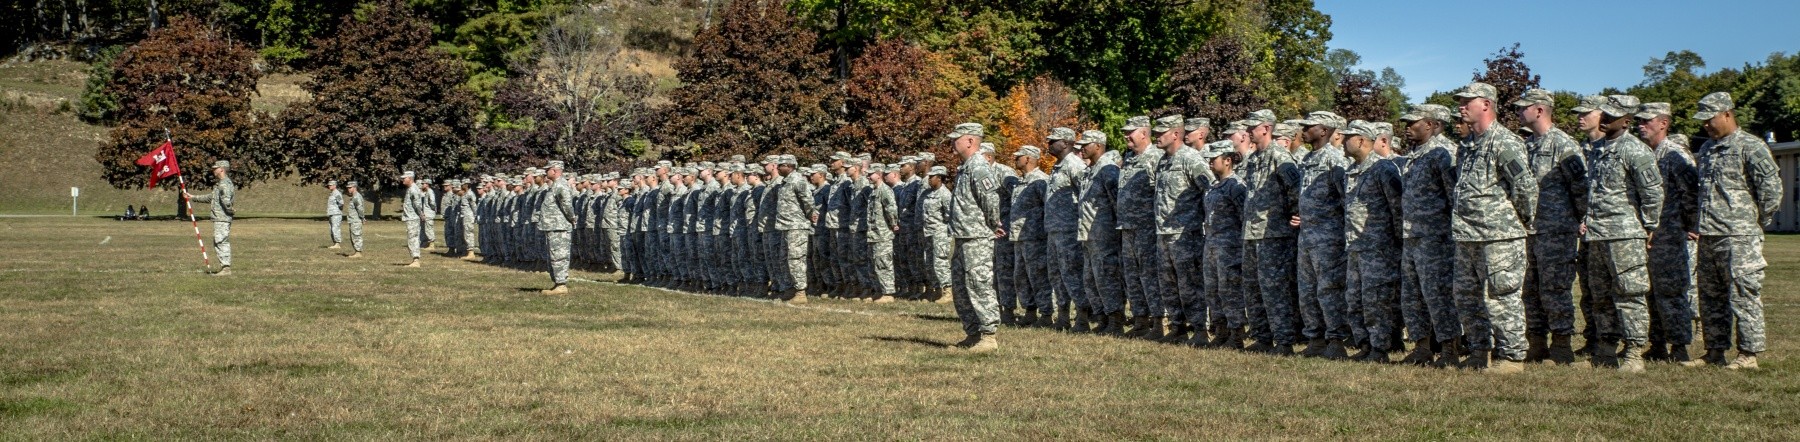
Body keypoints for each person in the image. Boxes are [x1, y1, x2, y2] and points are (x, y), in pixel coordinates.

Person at [1684, 92, 1780, 370]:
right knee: (1711, 296)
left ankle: (1748, 354)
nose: (1706, 125)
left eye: (1710, 119)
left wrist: (1754, 222)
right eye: (1702, 121)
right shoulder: (1708, 150)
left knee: (1743, 293)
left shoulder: (1751, 146)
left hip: (1739, 236)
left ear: (1727, 114)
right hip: (1709, 234)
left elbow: (1771, 190)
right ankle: (1714, 351)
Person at [1450, 82, 1537, 373]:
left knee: (1502, 297)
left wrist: (1521, 221)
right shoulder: (1468, 146)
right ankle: (1479, 351)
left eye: (1467, 101)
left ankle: (1511, 357)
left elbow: (1525, 188)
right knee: (1467, 297)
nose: (1461, 106)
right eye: (1460, 102)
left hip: (1499, 236)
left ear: (1486, 105)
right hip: (1467, 235)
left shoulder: (1505, 142)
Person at [1295, 110, 1351, 359]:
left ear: (1325, 130)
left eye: (1310, 125)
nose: (1304, 129)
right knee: (1307, 291)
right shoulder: (1307, 158)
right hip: (1307, 236)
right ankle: (1315, 339)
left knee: (1329, 290)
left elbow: (1346, 200)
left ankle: (1336, 340)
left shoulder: (1335, 160)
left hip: (1328, 238)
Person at [947, 122, 1005, 352]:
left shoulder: (979, 167)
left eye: (956, 139)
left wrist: (993, 223)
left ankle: (988, 337)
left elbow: (991, 200)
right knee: (961, 287)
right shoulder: (965, 167)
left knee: (978, 284)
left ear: (970, 141)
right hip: (962, 236)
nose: (953, 143)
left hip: (976, 237)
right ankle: (972, 333)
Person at [184, 160, 236, 276]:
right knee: (218, 241)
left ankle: (226, 268)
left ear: (222, 169)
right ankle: (225, 267)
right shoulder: (221, 184)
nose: (213, 170)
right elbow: (211, 198)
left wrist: (229, 210)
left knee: (221, 241)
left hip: (222, 218)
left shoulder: (224, 184)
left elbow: (226, 200)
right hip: (220, 217)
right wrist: (193, 197)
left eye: (215, 168)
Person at [537, 161, 577, 294]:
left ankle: (561, 285)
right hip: (553, 226)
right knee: (553, 255)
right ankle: (557, 283)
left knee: (559, 255)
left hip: (559, 227)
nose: (546, 172)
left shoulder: (561, 185)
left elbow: (566, 205)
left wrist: (572, 218)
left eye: (548, 169)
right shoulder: (555, 185)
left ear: (554, 171)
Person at [401, 171, 426, 267]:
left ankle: (416, 260)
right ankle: (415, 259)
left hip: (413, 218)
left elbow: (417, 204)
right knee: (411, 238)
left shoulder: (413, 189)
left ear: (410, 179)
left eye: (404, 178)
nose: (403, 180)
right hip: (410, 217)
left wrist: (421, 214)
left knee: (413, 238)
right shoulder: (411, 188)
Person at [344, 181, 366, 258]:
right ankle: (356, 251)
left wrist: (362, 218)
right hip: (352, 219)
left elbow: (360, 209)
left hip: (356, 220)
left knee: (356, 236)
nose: (348, 189)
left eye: (350, 188)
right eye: (348, 188)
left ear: (355, 187)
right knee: (353, 236)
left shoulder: (357, 197)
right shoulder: (354, 197)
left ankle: (358, 252)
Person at [326, 180, 344, 249]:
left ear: (335, 186)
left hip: (336, 214)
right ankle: (335, 243)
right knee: (331, 229)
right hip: (331, 213)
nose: (329, 186)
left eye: (331, 185)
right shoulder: (332, 193)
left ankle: (337, 243)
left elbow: (341, 203)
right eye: (329, 185)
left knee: (335, 228)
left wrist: (338, 210)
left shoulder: (337, 193)